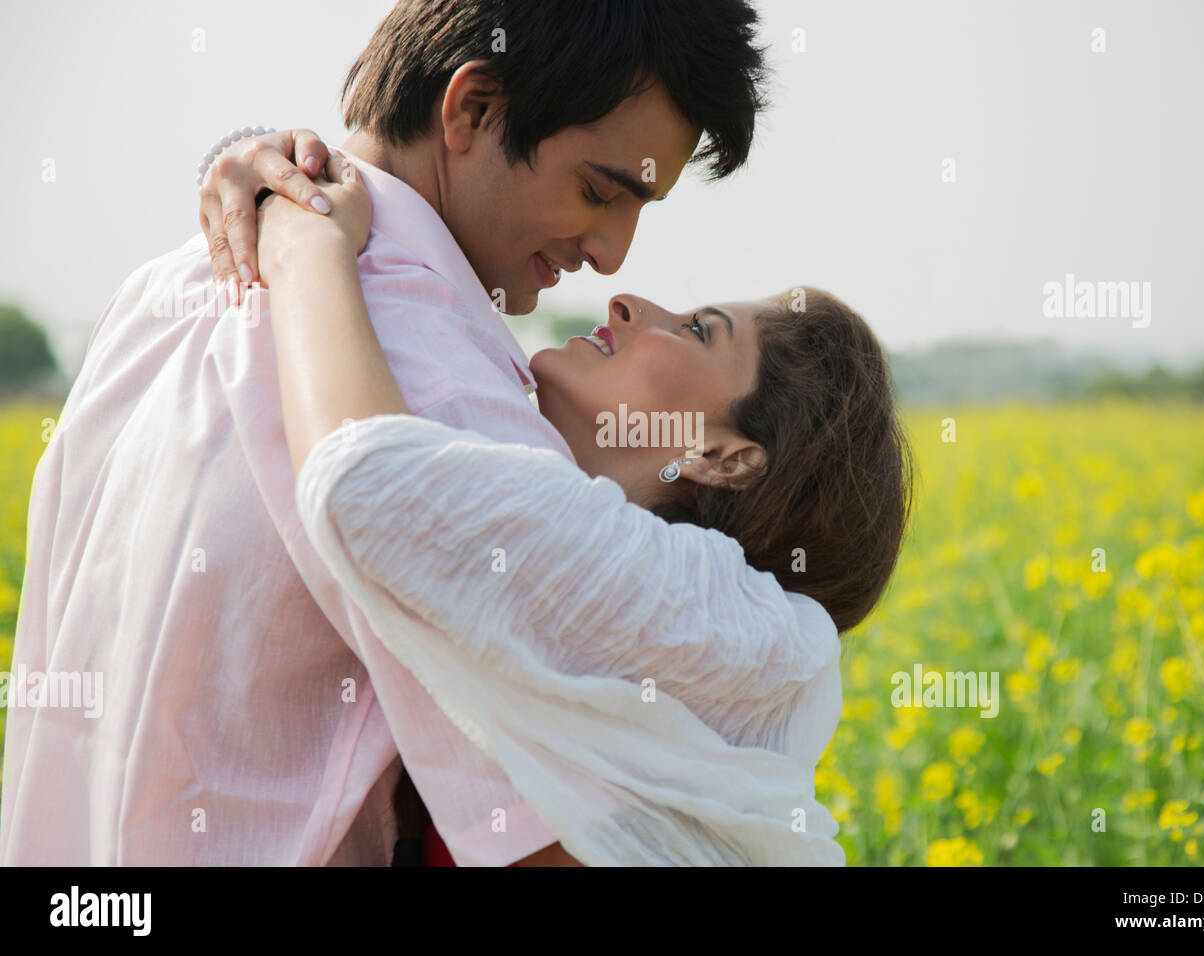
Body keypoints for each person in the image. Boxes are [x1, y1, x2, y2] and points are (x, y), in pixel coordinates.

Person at [247, 155, 913, 863]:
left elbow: (368, 482)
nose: (626, 302)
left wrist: (304, 246)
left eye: (695, 330)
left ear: (723, 458)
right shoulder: (588, 618)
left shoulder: (732, 618)